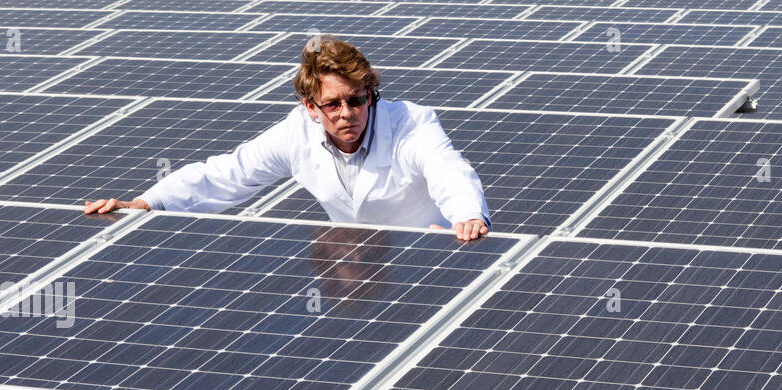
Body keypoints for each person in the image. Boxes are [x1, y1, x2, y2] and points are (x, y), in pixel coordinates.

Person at [84, 35, 491, 241]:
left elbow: (447, 170)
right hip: (355, 264)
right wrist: (146, 202)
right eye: (333, 104)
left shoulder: (411, 123)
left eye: (357, 99)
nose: (347, 113)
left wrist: (467, 217)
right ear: (310, 106)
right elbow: (229, 174)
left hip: (436, 252)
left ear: (371, 95)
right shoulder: (295, 133)